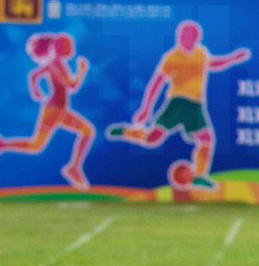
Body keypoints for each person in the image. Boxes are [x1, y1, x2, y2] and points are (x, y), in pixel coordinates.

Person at [106, 20, 251, 190]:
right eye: (181, 35)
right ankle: (125, 131)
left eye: (187, 35)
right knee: (153, 139)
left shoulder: (200, 53)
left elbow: (213, 63)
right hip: (177, 103)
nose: (182, 39)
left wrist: (232, 58)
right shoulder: (172, 57)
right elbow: (157, 83)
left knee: (207, 139)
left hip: (195, 105)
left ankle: (199, 176)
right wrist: (146, 109)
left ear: (196, 38)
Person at [0, 32, 95, 190]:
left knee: (83, 132)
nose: (71, 50)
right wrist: (82, 70)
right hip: (54, 111)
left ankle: (73, 167)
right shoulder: (56, 65)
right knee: (37, 145)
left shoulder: (54, 63)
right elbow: (72, 86)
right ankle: (1, 144)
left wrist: (36, 91)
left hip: (58, 110)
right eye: (68, 47)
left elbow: (34, 75)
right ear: (61, 48)